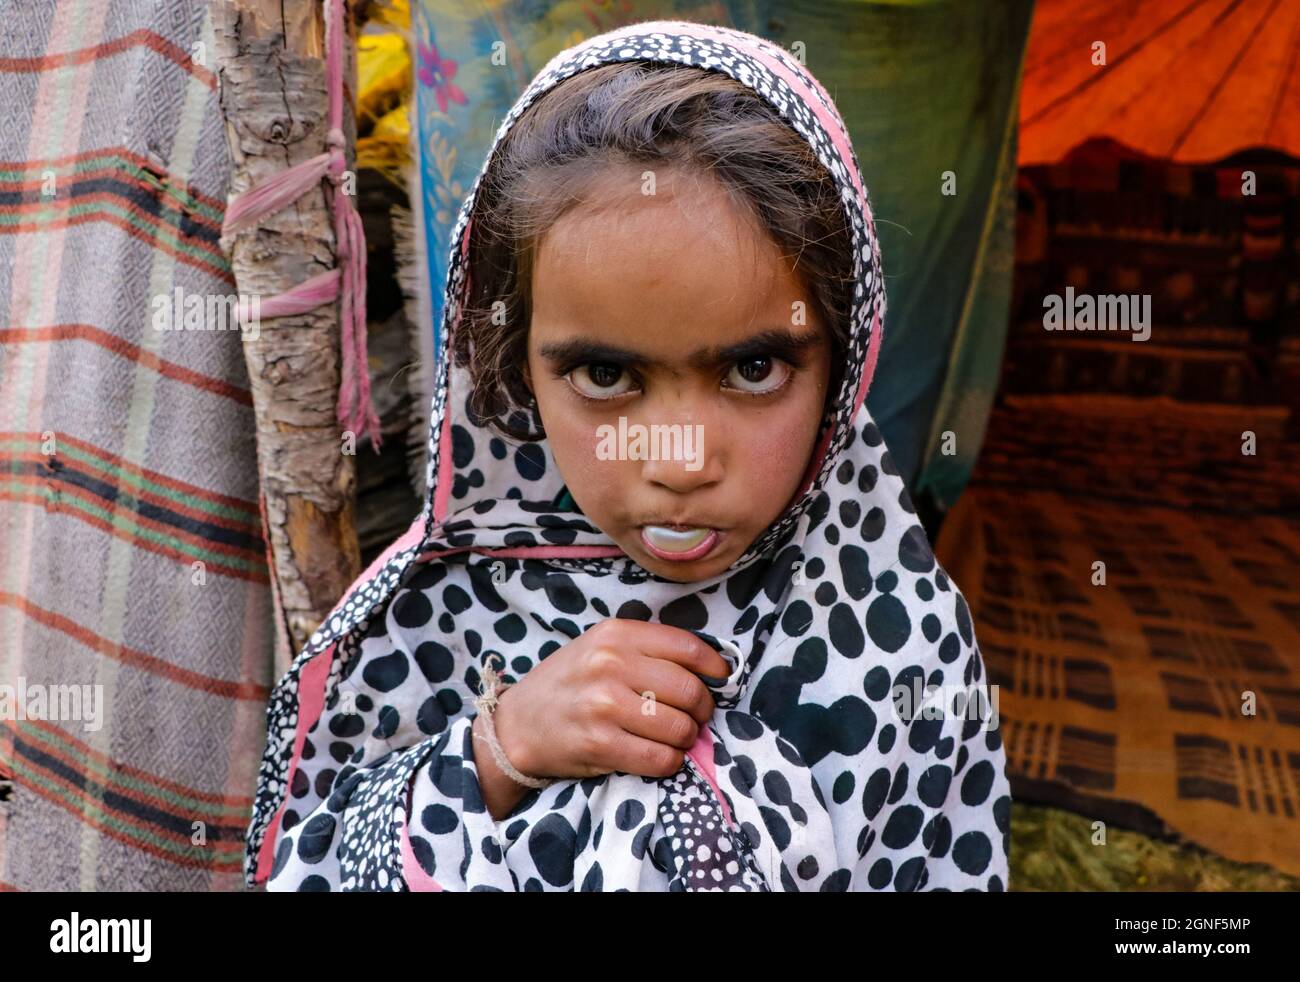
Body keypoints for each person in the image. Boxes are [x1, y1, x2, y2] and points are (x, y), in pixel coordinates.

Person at [245, 19, 1012, 892]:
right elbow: (305, 862)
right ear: (512, 368)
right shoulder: (433, 618)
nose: (681, 461)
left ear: (843, 359)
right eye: (605, 373)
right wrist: (501, 749)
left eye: (753, 368)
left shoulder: (903, 649)